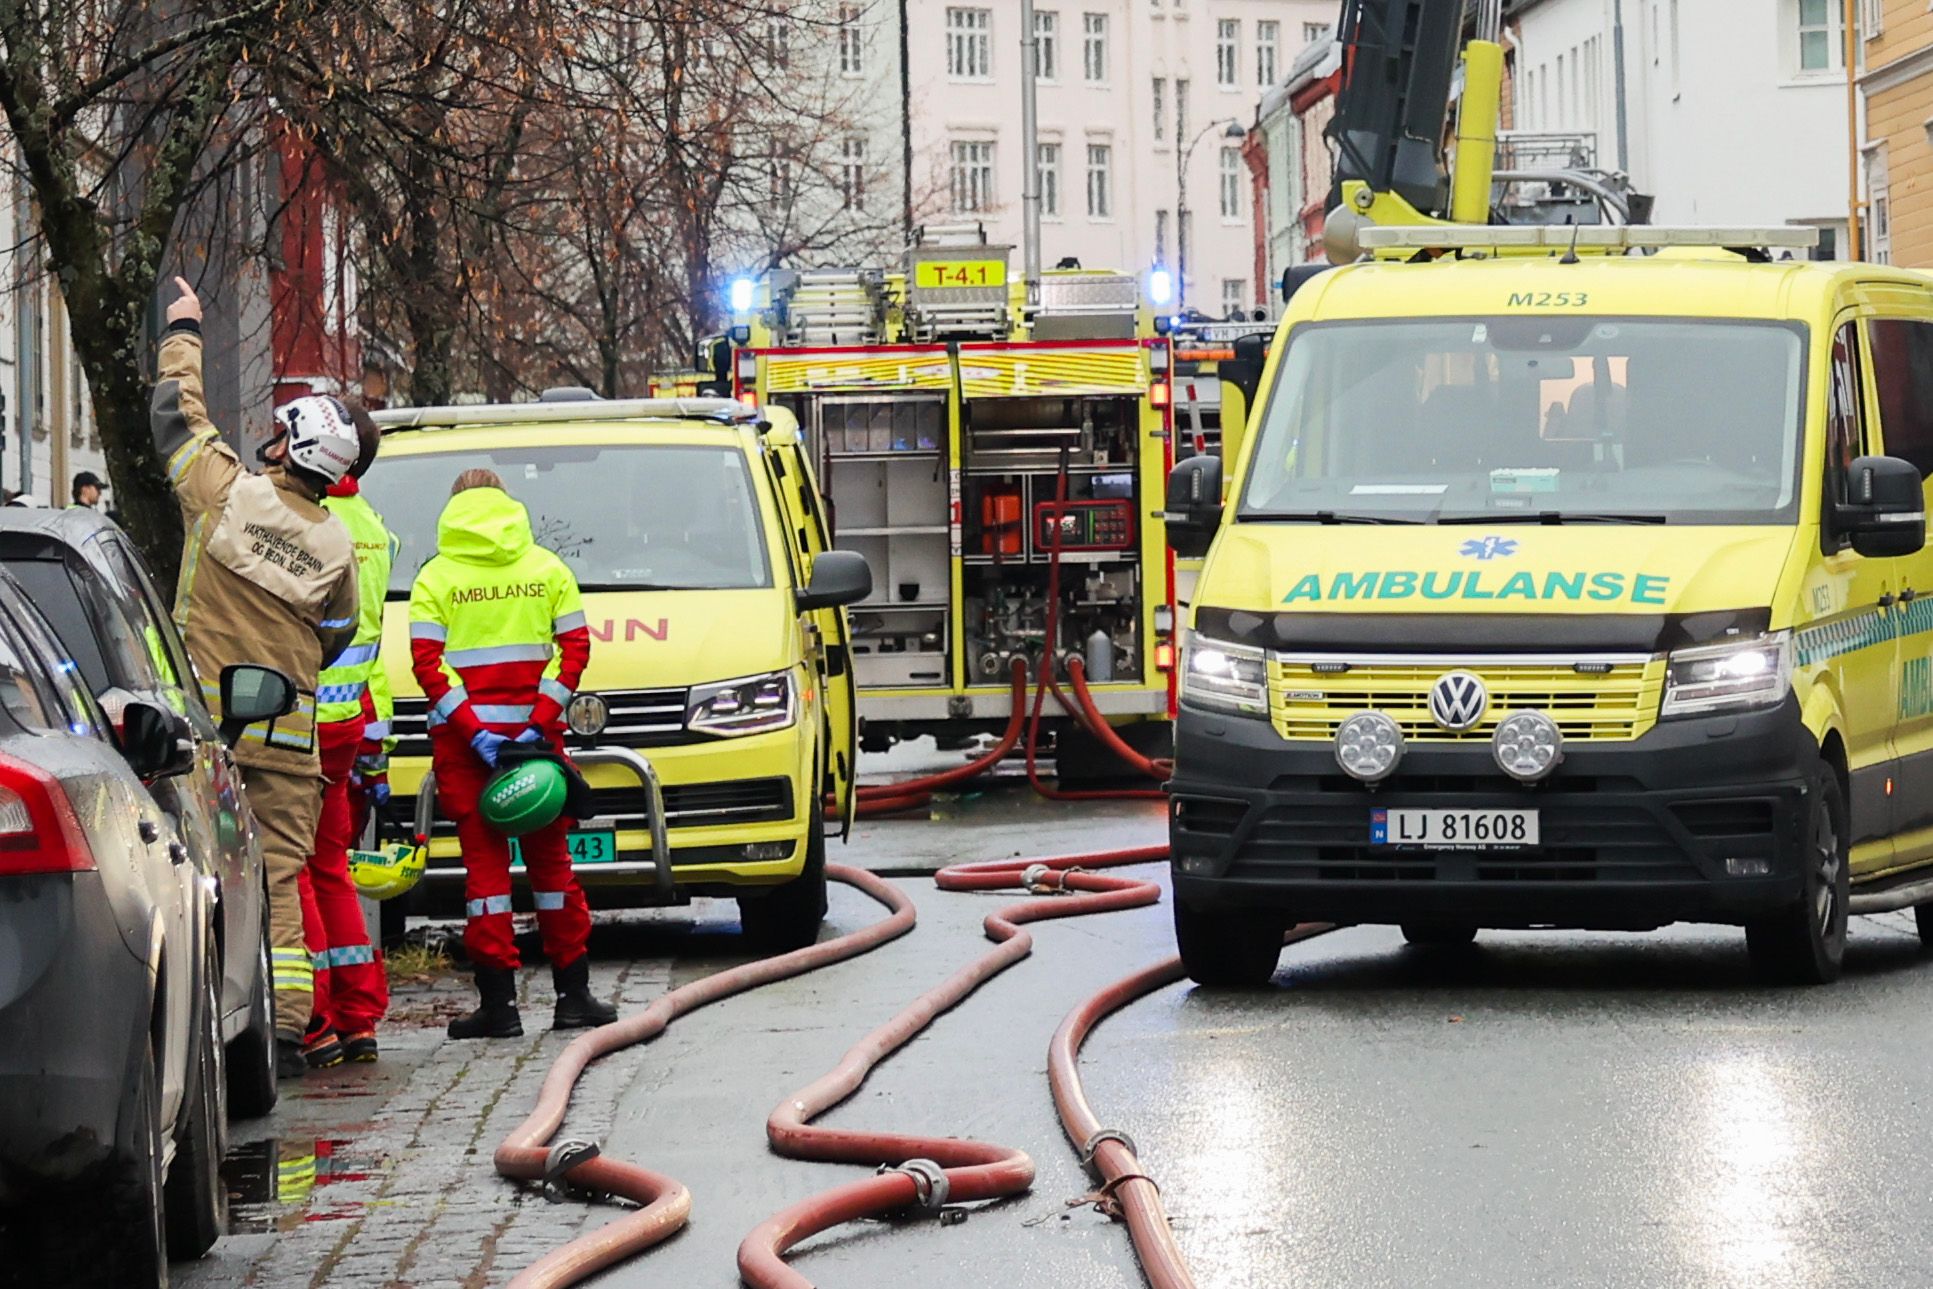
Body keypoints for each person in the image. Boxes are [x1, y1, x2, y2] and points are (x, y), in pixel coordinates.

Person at [151, 276, 367, 1078]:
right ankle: (283, 1029)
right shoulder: (337, 545)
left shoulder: (224, 495)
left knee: (188, 870)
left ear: (284, 447)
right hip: (289, 744)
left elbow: (176, 413)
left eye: (277, 432)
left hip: (203, 736)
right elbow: (337, 634)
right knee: (279, 882)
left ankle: (205, 1021)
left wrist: (183, 329)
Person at [408, 468, 615, 1038]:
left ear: (454, 509)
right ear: (507, 503)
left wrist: (475, 732)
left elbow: (429, 664)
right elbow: (574, 649)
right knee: (552, 872)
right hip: (538, 750)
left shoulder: (436, 577)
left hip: (466, 750)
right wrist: (539, 722)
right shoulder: (548, 569)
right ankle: (573, 997)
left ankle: (498, 1008)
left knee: (486, 881)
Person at [297, 438, 398, 1068]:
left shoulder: (306, 524)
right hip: (349, 719)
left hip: (296, 718)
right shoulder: (375, 530)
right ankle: (359, 1016)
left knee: (296, 870)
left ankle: (315, 1019)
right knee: (330, 867)